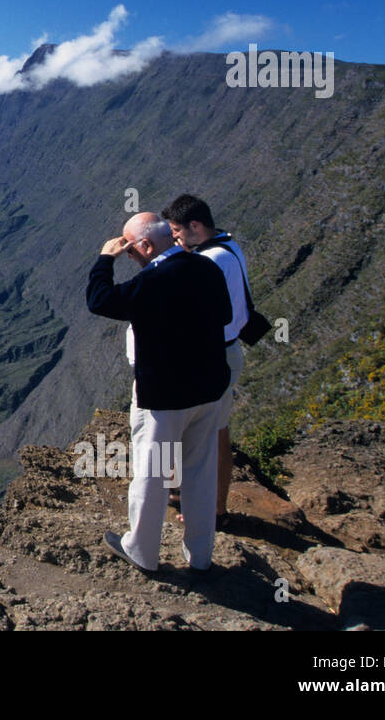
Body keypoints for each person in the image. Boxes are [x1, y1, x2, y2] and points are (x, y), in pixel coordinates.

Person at [86, 212, 232, 572]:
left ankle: (142, 552)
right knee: (199, 472)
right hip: (209, 390)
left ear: (147, 246)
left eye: (131, 250)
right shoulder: (208, 268)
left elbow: (100, 300)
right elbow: (226, 315)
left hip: (166, 399)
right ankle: (200, 557)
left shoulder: (153, 280)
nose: (130, 257)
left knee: (154, 472)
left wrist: (106, 258)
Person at [162, 195, 249, 528]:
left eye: (177, 232)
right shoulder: (228, 247)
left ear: (195, 226)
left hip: (215, 356)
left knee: (214, 433)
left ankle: (213, 509)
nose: (175, 239)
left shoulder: (209, 263)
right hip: (220, 352)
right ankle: (181, 489)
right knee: (199, 428)